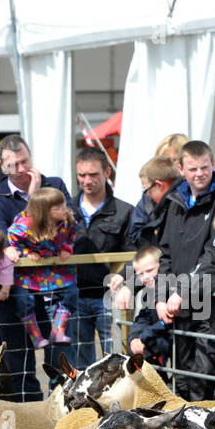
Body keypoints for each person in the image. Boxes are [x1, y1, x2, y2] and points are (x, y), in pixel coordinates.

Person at [0, 134, 73, 399]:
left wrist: (36, 198)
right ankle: (29, 423)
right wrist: (36, 205)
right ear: (1, 165)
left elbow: (66, 228)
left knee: (61, 363)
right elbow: (1, 240)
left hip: (55, 289)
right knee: (22, 366)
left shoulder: (55, 185)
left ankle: (64, 417)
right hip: (16, 294)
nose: (20, 170)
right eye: (13, 165)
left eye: (24, 162)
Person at [154, 139, 215, 399]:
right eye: (193, 169)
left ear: (214, 164)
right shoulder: (174, 201)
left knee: (211, 378)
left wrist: (181, 290)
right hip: (176, 305)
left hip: (211, 303)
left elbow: (212, 252)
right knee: (182, 376)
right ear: (181, 169)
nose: (200, 174)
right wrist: (160, 298)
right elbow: (165, 252)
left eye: (204, 167)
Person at [70, 147, 132, 368]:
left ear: (107, 172)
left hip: (109, 297)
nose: (87, 180)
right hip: (72, 297)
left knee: (115, 363)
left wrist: (124, 277)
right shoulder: (65, 211)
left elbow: (135, 253)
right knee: (77, 365)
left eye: (93, 174)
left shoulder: (125, 212)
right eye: (82, 175)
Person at [7, 188, 78, 350]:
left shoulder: (67, 220)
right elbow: (10, 241)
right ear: (43, 212)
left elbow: (73, 234)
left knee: (71, 292)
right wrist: (26, 252)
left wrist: (67, 247)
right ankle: (36, 336)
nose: (63, 210)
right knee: (23, 300)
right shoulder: (24, 225)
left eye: (63, 205)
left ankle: (58, 330)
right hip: (30, 270)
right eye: (57, 208)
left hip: (56, 266)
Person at [116, 245, 170, 367]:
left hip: (169, 341)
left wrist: (143, 338)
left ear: (161, 266)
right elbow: (143, 317)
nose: (146, 276)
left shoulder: (168, 291)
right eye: (140, 274)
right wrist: (134, 338)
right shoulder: (148, 292)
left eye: (150, 270)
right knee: (134, 351)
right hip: (153, 339)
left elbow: (165, 322)